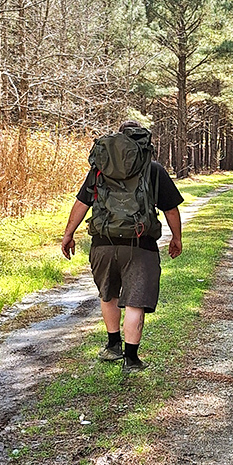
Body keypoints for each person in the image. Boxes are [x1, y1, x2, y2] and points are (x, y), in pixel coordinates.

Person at [61, 121, 184, 373]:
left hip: (103, 243)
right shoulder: (153, 169)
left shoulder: (99, 170)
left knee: (108, 293)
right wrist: (176, 238)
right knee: (135, 302)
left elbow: (81, 203)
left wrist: (68, 234)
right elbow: (170, 208)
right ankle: (132, 359)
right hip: (141, 244)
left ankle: (112, 345)